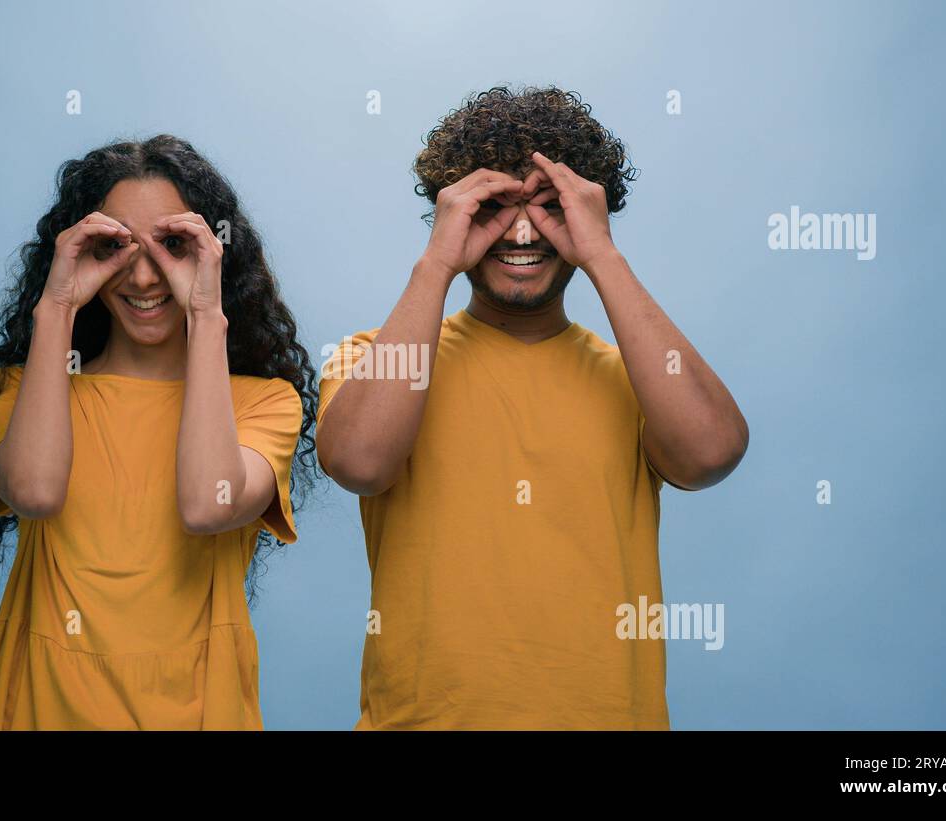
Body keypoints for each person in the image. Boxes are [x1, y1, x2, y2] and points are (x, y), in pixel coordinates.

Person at [317, 86, 749, 729]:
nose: (521, 231)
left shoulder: (634, 380)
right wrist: (437, 262)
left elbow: (711, 452)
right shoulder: (372, 359)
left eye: (548, 209)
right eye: (494, 208)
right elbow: (359, 461)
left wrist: (602, 255)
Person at [0, 135, 317, 730]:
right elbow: (37, 491)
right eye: (114, 246)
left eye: (173, 245)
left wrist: (204, 313)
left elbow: (206, 503)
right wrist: (57, 308)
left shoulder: (262, 404)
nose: (146, 276)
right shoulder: (26, 391)